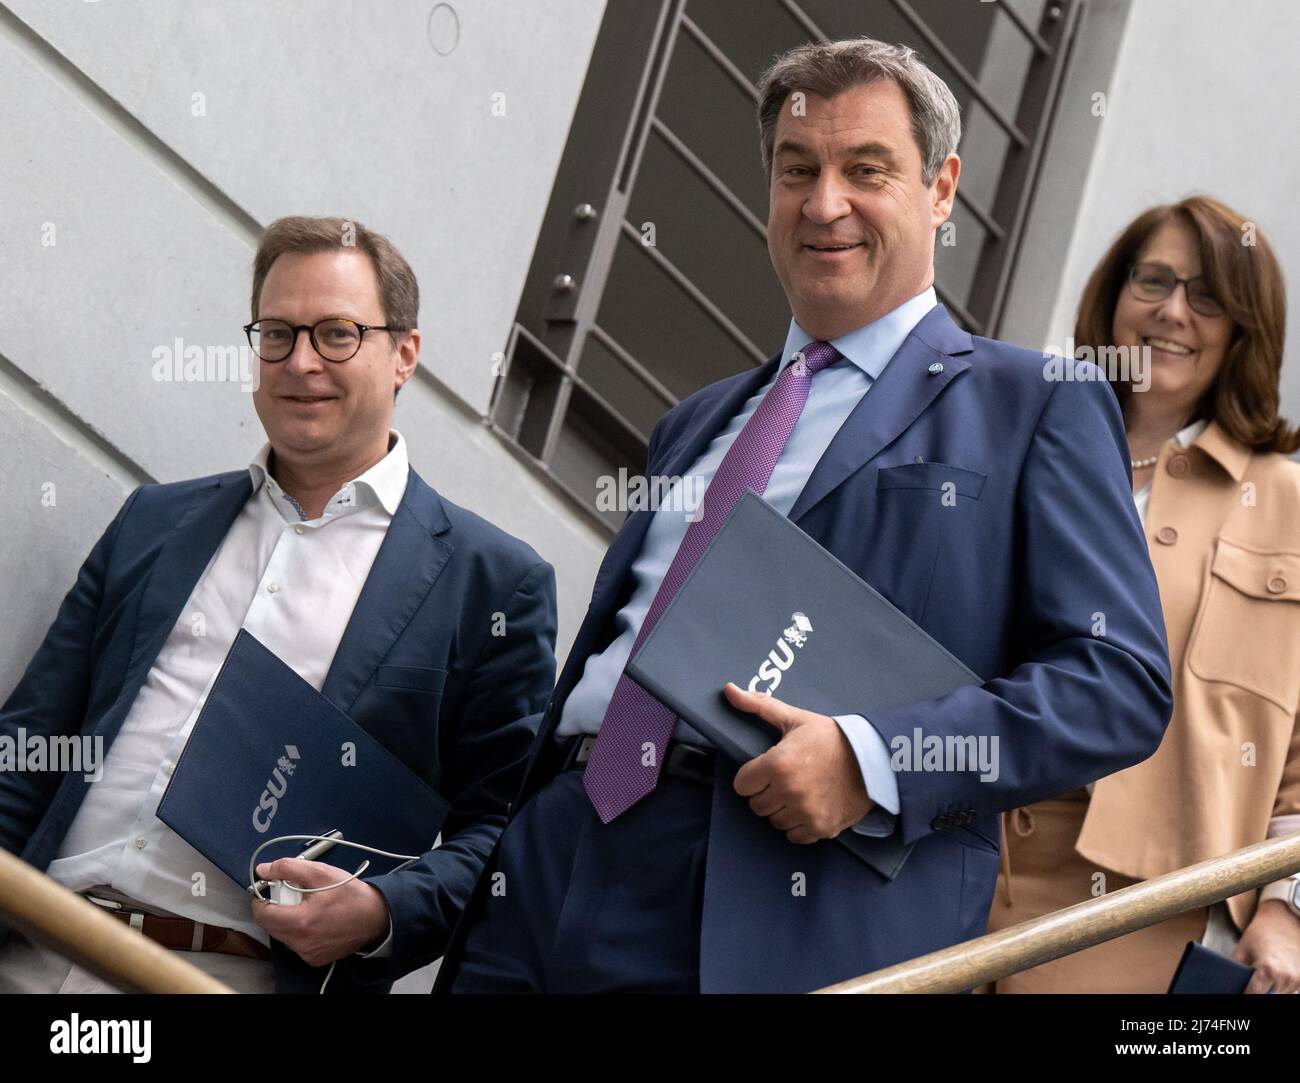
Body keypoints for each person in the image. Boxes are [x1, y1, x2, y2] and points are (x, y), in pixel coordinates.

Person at [433, 37, 1173, 994]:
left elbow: (1117, 680)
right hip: (550, 859)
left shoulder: (1037, 403)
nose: (825, 203)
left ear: (942, 189)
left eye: (867, 170)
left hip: (775, 905)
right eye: (797, 171)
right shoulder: (697, 422)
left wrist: (876, 762)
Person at [0, 216, 556, 993]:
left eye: (335, 333)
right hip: (34, 942)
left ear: (404, 355)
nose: (299, 362)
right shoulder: (155, 522)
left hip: (221, 978)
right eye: (277, 333)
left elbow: (501, 830)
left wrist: (382, 908)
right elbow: (28, 744)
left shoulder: (492, 585)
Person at [984, 196, 1300, 994]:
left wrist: (1286, 909)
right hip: (951, 843)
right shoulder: (1012, 439)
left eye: (1207, 296)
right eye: (1152, 281)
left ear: (1243, 329)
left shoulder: (1287, 503)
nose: (1171, 312)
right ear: (1113, 295)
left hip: (1142, 908)